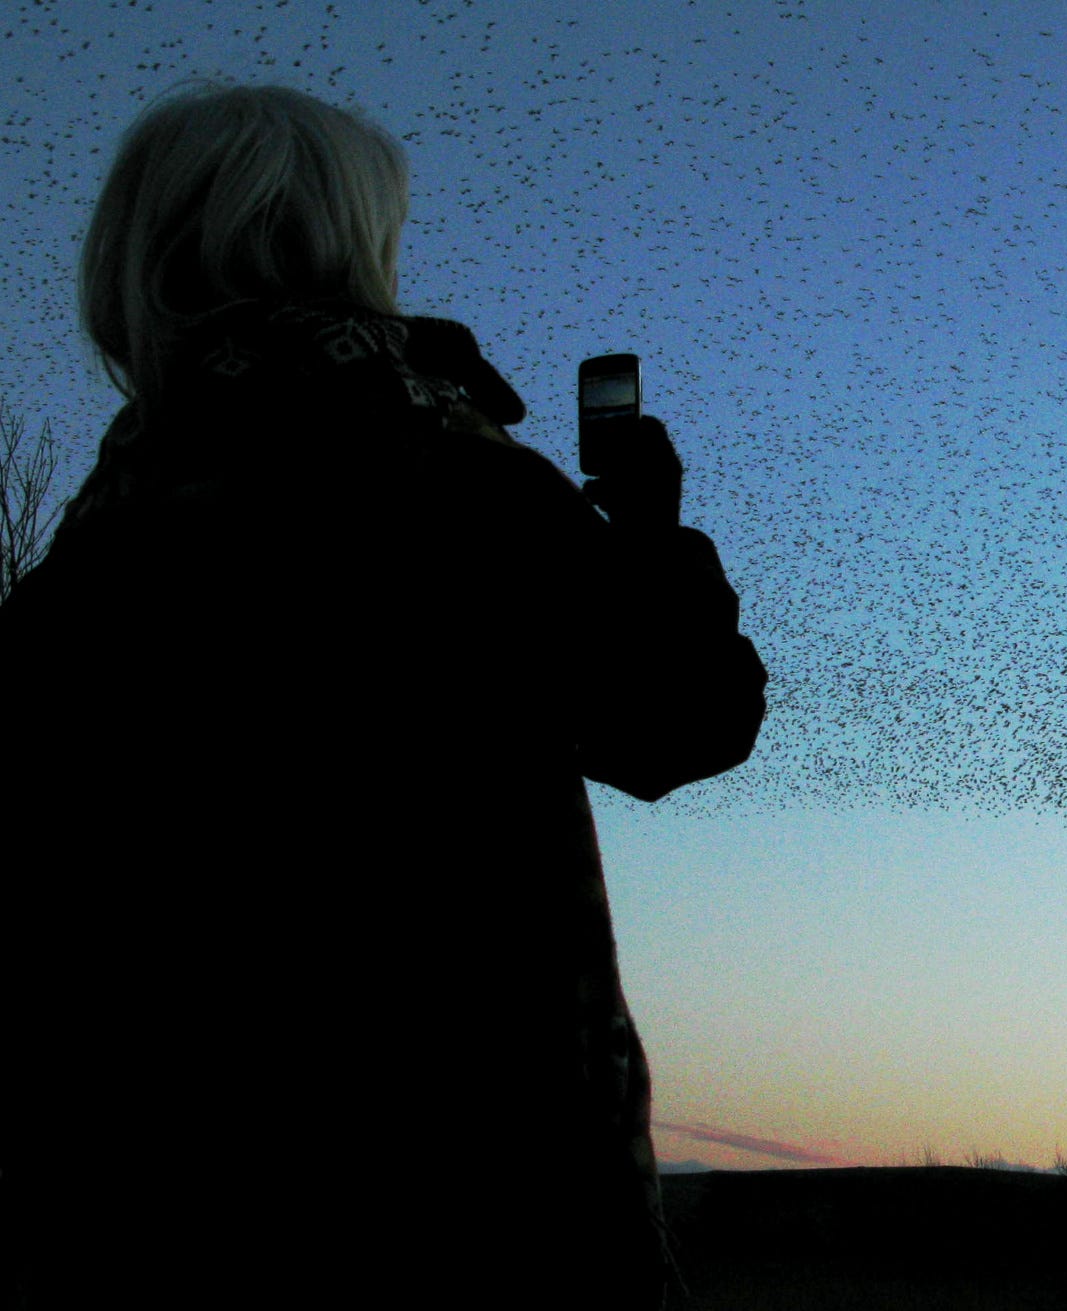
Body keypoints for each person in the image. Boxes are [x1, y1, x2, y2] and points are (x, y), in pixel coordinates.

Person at [0, 82, 766, 1308]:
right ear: (351, 242)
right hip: (473, 1187)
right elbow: (680, 721)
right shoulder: (459, 485)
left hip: (155, 1201)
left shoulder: (96, 544)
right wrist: (649, 532)